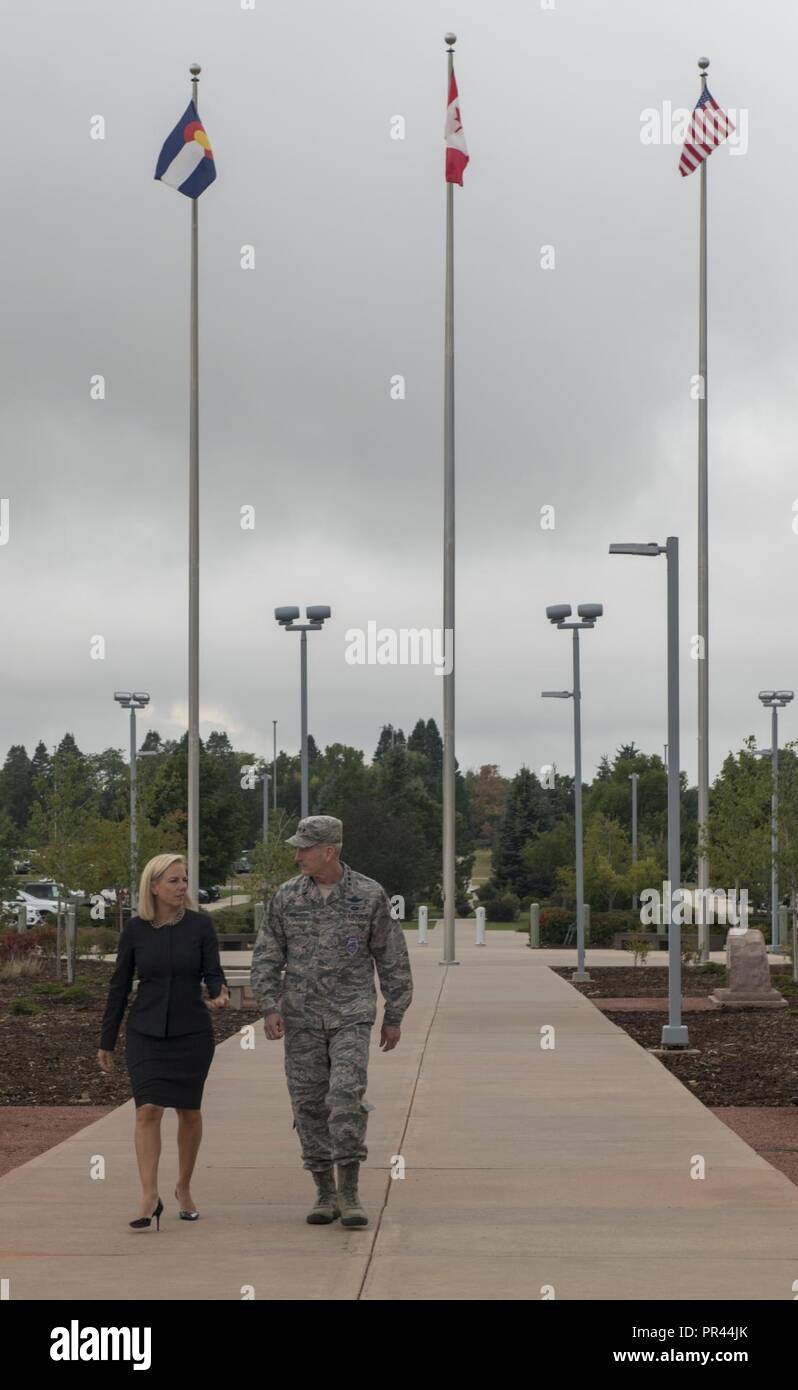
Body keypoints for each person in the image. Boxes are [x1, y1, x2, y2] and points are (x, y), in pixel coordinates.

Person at [251, 815, 413, 1228]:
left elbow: (392, 958)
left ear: (329, 851)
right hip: (301, 1017)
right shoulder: (286, 896)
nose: (297, 854)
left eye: (305, 848)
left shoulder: (368, 894)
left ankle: (350, 1190)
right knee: (307, 1104)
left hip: (351, 1015)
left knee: (344, 1097)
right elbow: (268, 955)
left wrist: (393, 1015)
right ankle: (323, 1191)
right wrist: (269, 1006)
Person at [96, 854, 230, 1230]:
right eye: (173, 881)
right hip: (146, 1031)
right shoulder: (136, 930)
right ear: (153, 886)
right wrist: (107, 1040)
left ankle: (183, 1188)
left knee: (188, 1111)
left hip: (192, 1032)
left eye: (184, 880)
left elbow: (213, 973)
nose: (182, 887)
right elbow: (119, 986)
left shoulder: (201, 926)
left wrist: (219, 994)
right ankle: (147, 1195)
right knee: (147, 1110)